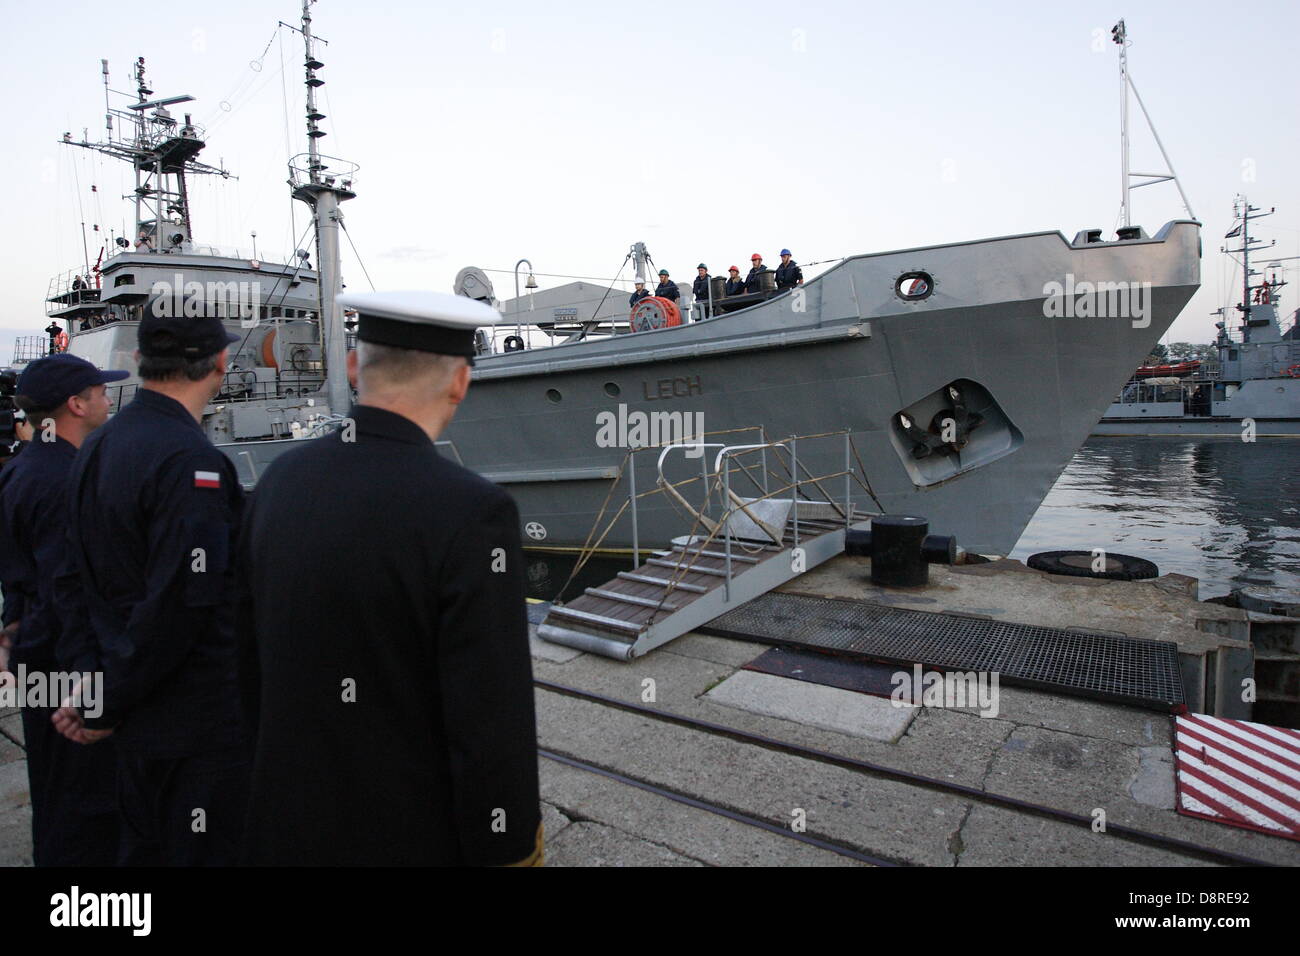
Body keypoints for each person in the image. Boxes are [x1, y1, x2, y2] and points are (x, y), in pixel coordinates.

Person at [239, 290, 542, 865]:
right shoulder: (473, 512)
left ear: (354, 367)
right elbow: (490, 717)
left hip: (282, 827)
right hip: (410, 838)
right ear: (460, 383)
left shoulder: (277, 483)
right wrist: (510, 847)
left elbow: (246, 667)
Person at [57, 305, 250, 866]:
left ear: (140, 361)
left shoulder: (96, 446)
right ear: (218, 362)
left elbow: (72, 577)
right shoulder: (194, 462)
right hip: (194, 723)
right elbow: (179, 605)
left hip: (130, 718)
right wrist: (108, 698)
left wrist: (93, 686)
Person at [0, 354, 129, 866]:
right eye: (100, 392)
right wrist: (93, 691)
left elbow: (20, 580)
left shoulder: (21, 472)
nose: (107, 399)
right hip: (67, 668)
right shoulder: (67, 482)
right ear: (76, 405)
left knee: (55, 792)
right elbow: (69, 594)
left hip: (36, 658)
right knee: (88, 804)